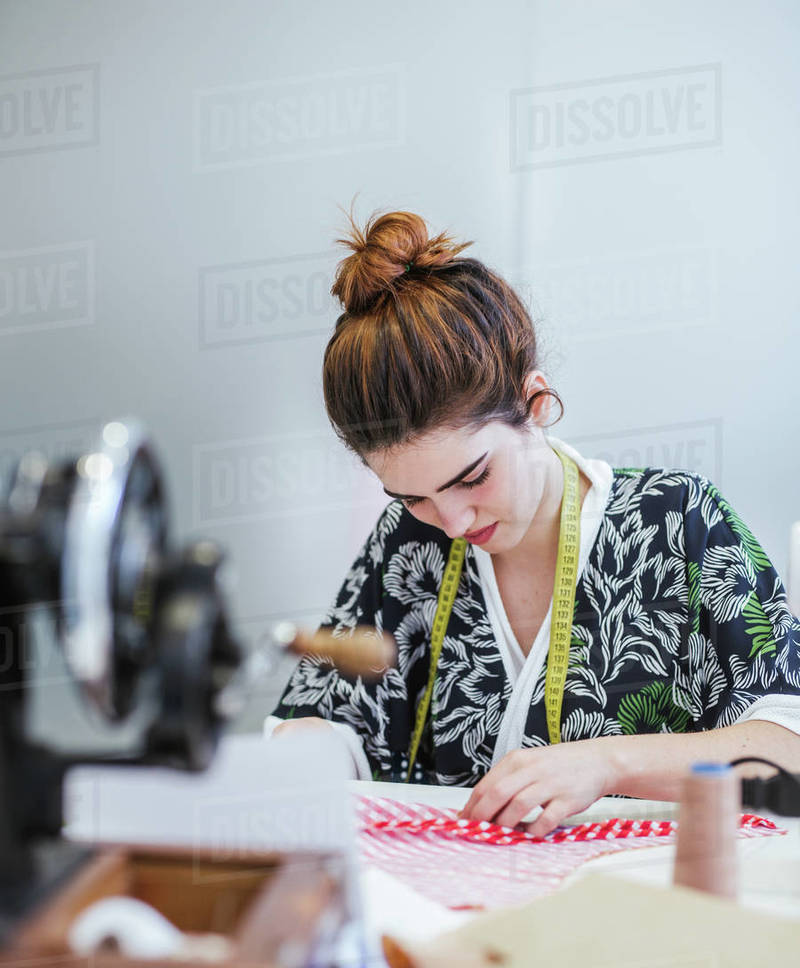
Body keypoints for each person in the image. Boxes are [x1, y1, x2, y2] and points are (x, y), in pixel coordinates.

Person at [267, 209, 800, 837]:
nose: (454, 520)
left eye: (472, 478)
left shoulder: (677, 521)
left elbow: (786, 752)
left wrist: (606, 764)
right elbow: (331, 723)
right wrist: (291, 755)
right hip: (451, 919)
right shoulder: (407, 544)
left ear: (535, 404)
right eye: (413, 495)